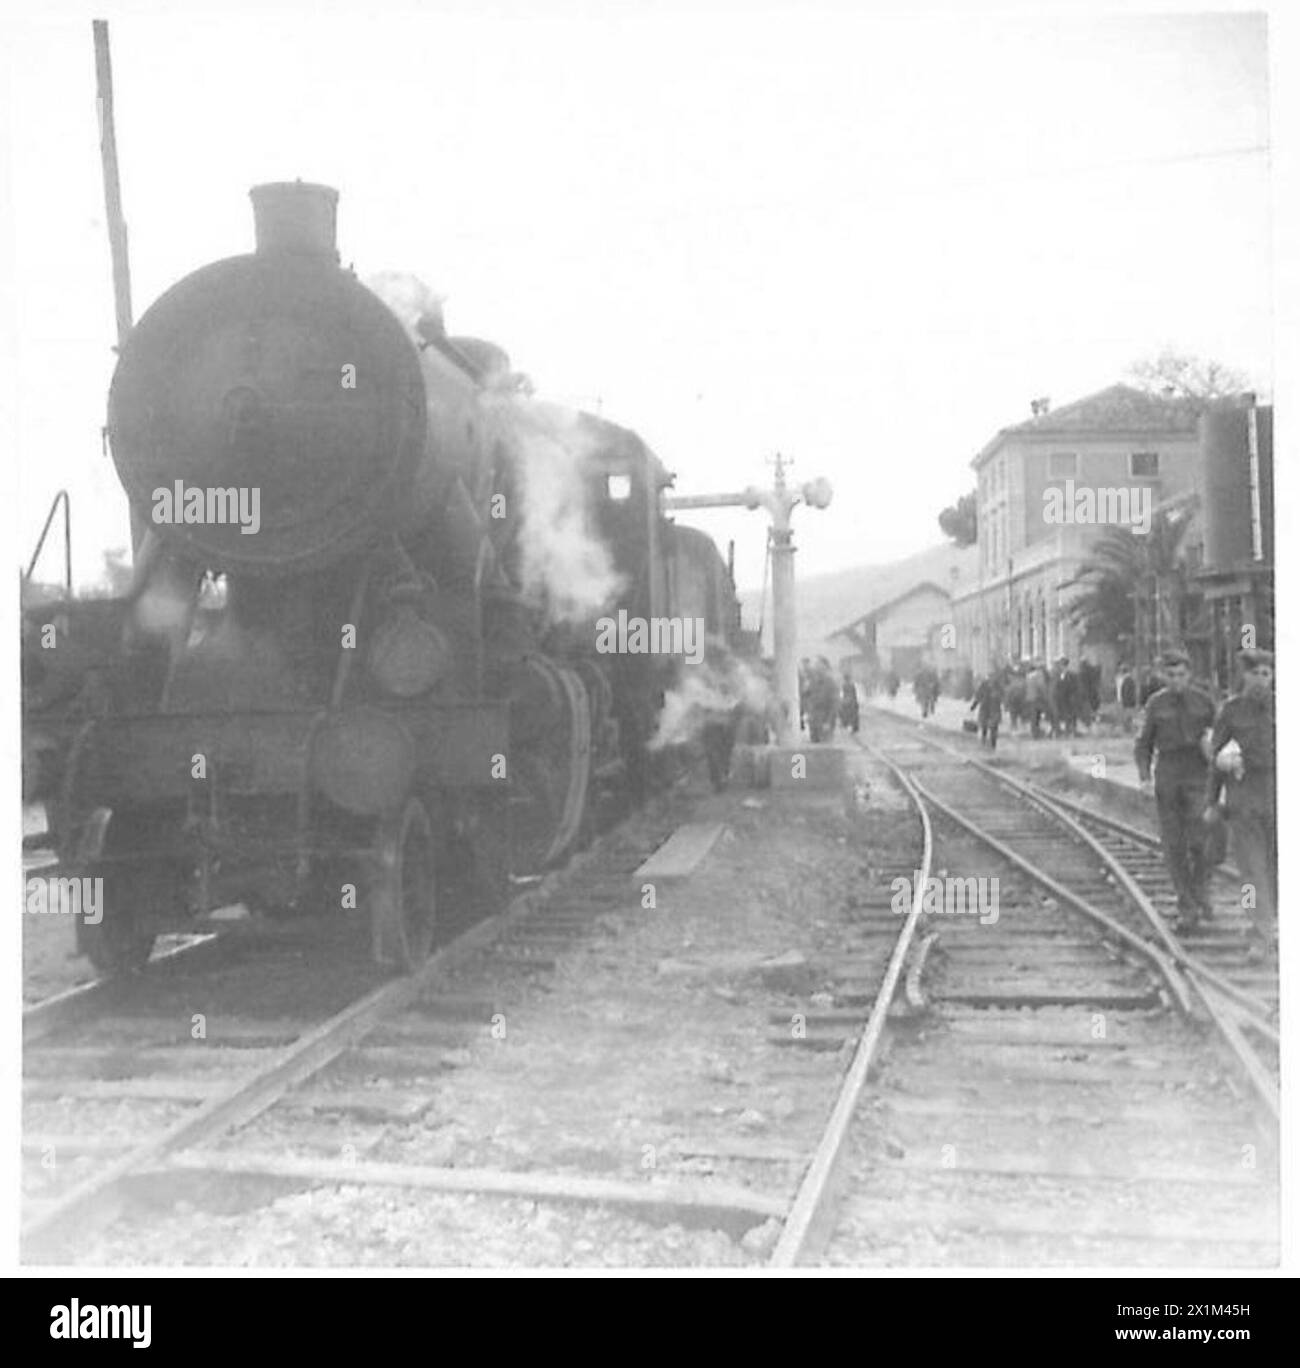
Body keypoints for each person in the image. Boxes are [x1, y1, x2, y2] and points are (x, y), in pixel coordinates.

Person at [1134, 649, 1217, 932]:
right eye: (1171, 675)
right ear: (1163, 676)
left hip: (1198, 774)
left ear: (1190, 674)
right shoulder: (1155, 704)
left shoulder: (1205, 702)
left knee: (1202, 843)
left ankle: (1201, 891)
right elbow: (1143, 744)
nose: (1177, 680)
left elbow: (1221, 739)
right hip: (1168, 775)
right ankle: (1187, 907)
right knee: (1174, 845)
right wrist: (1144, 777)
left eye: (1182, 674)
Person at [1204, 649, 1275, 961]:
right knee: (1251, 870)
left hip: (1278, 796)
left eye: (1267, 673)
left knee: (1276, 869)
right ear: (1244, 676)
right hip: (1244, 798)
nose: (1262, 679)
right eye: (1256, 673)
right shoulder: (1231, 711)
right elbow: (1217, 761)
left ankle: (1270, 925)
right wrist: (1211, 802)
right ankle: (1260, 934)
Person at [970, 673, 1004, 751]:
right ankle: (986, 742)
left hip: (992, 708)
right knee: (986, 726)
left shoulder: (996, 686)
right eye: (991, 676)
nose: (992, 678)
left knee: (992, 727)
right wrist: (974, 706)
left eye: (993, 677)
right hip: (988, 708)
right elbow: (978, 696)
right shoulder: (986, 685)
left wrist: (974, 706)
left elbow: (1002, 695)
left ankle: (991, 744)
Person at [1116, 663, 1138, 732]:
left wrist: (1124, 702)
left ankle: (1128, 729)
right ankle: (1128, 729)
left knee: (1127, 717)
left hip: (1127, 702)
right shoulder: (1129, 679)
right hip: (1130, 702)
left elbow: (1126, 692)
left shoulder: (1127, 680)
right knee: (1128, 716)